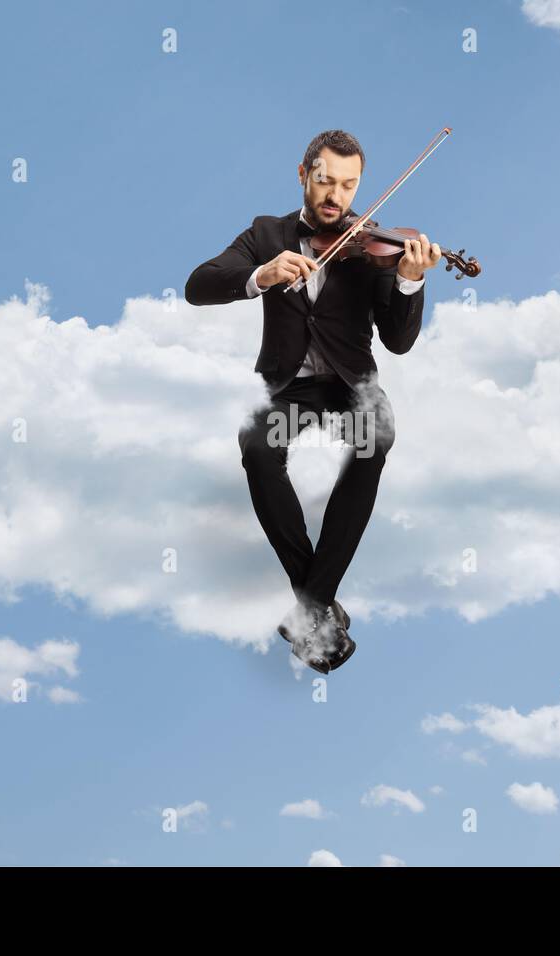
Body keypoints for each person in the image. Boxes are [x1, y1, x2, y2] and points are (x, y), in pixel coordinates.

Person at [184, 129, 441, 673]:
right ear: (304, 176)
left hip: (349, 384)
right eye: (326, 181)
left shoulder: (373, 246)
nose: (337, 198)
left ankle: (310, 604)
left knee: (375, 440)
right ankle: (317, 601)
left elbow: (397, 340)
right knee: (256, 447)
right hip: (290, 387)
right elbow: (199, 284)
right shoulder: (266, 233)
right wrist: (259, 275)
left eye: (349, 187)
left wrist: (410, 281)